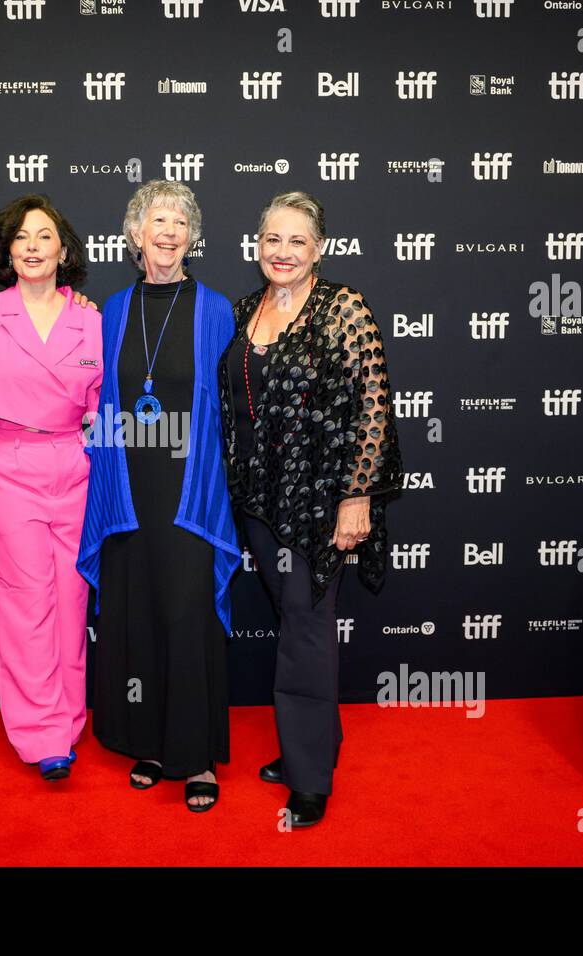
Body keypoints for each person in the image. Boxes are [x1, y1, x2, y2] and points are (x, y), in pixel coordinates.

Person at [219, 191, 403, 828]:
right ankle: (315, 742)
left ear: (318, 249)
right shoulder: (247, 309)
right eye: (273, 239)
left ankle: (308, 778)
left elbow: (374, 404)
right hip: (260, 502)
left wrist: (357, 495)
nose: (283, 252)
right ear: (257, 245)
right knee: (297, 621)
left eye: (297, 241)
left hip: (322, 503)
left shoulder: (342, 308)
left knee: (302, 629)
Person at [78, 180, 239, 812]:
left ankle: (195, 757)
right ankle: (146, 740)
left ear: (192, 236)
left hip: (190, 489)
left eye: (179, 221)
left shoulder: (216, 309)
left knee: (186, 612)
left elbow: (228, 407)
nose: (168, 231)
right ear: (135, 234)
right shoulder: (112, 310)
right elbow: (103, 400)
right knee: (136, 610)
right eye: (156, 220)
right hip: (126, 484)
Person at [0, 195, 101, 780]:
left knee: (72, 601)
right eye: (20, 237)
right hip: (8, 463)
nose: (31, 245)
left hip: (75, 465)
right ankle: (40, 734)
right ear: (6, 251)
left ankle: (68, 719)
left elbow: (105, 405)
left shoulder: (92, 320)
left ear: (64, 249)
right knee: (25, 602)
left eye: (43, 235)